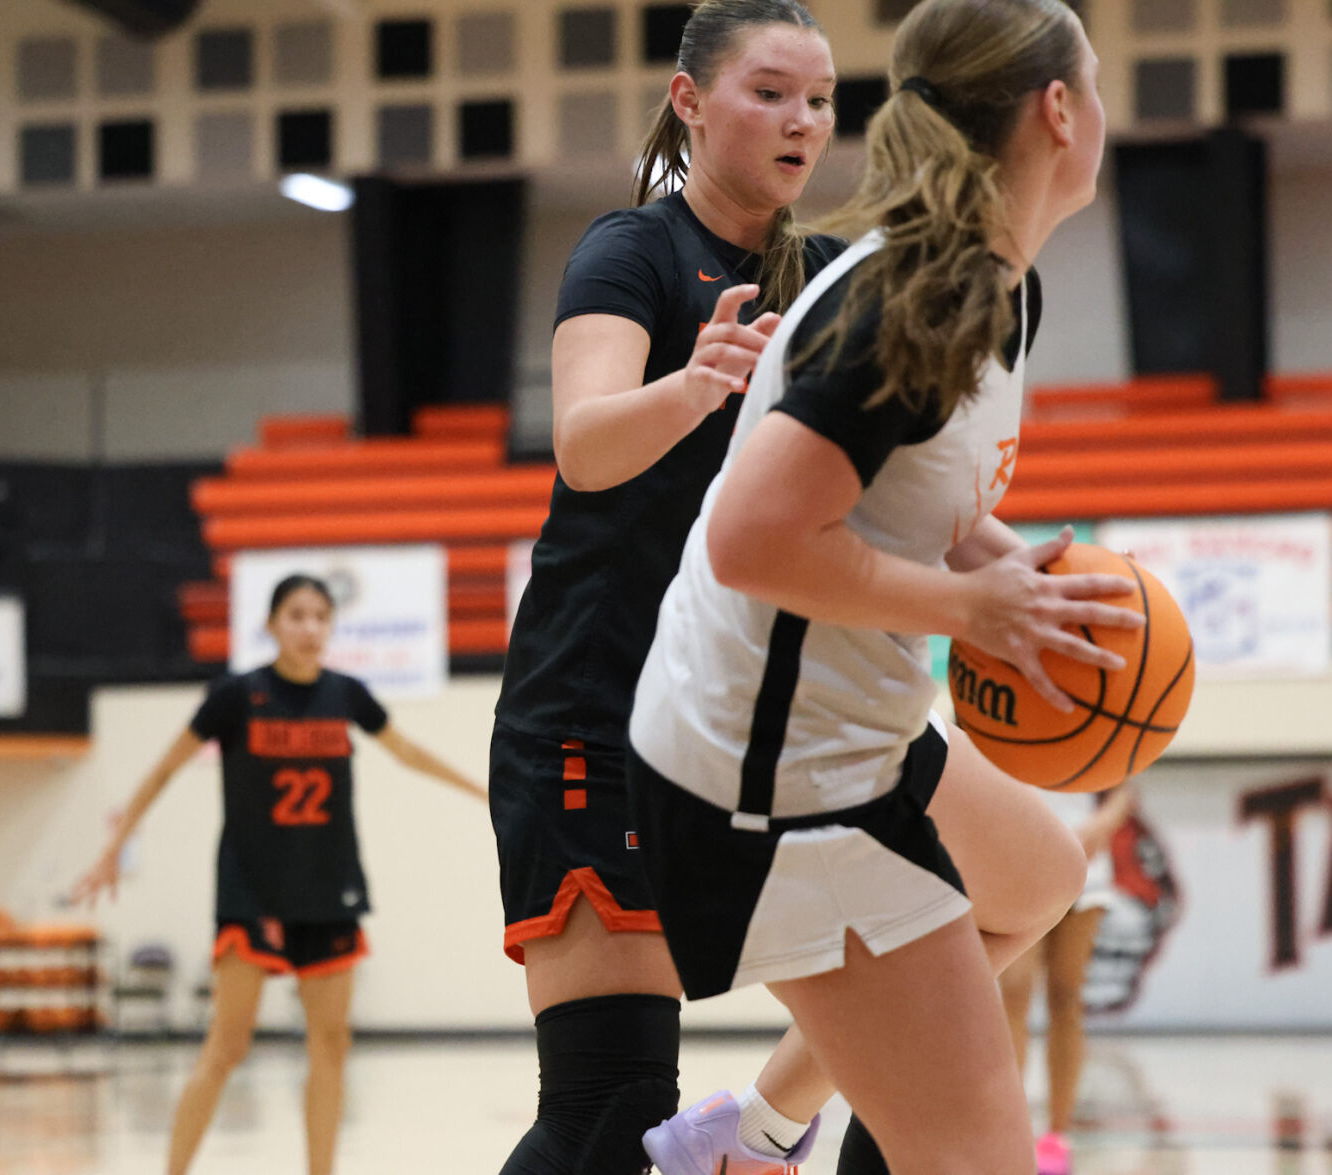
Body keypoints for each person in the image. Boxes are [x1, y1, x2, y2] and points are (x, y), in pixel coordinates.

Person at [625, 1, 1134, 1171]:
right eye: (1094, 83)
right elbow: (752, 540)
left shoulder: (996, 287)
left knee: (1039, 872)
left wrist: (1024, 578)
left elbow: (903, 502)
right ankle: (749, 1144)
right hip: (766, 776)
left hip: (835, 730)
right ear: (1056, 110)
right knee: (979, 1160)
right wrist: (974, 611)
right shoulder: (909, 296)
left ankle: (744, 1136)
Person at [486, 3, 846, 1171]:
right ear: (689, 101)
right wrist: (691, 385)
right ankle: (737, 1142)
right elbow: (585, 444)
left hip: (756, 717)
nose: (802, 121)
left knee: (933, 1022)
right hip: (599, 706)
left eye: (820, 99)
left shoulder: (835, 278)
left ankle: (755, 1138)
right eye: (770, 92)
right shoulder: (632, 251)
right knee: (607, 1105)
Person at [72, 573, 481, 1175]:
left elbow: (409, 752)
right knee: (227, 1046)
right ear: (270, 625)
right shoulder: (236, 696)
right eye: (297, 615)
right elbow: (163, 770)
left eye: (320, 616)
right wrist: (113, 848)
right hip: (253, 889)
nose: (310, 627)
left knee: (331, 1047)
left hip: (329, 885)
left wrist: (484, 790)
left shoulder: (347, 695)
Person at [998, 783, 1139, 1175]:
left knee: (1065, 996)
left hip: (1084, 856)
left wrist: (1101, 825)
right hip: (1019, 856)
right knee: (1013, 990)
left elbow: (1125, 790)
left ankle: (1058, 1136)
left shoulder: (1095, 727)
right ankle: (1010, 1132)